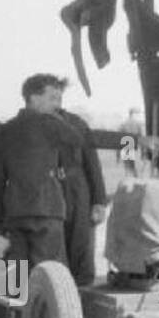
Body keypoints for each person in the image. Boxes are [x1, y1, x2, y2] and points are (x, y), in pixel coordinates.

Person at [0, 74, 83, 267]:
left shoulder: (4, 130)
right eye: (53, 98)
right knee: (49, 274)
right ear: (34, 98)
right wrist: (133, 141)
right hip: (46, 210)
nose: (57, 105)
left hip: (15, 213)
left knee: (17, 275)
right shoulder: (50, 123)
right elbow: (85, 140)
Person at [52, 82, 109, 285]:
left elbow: (93, 164)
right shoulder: (32, 124)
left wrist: (99, 201)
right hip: (48, 190)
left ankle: (83, 293)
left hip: (77, 190)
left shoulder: (77, 124)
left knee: (81, 245)